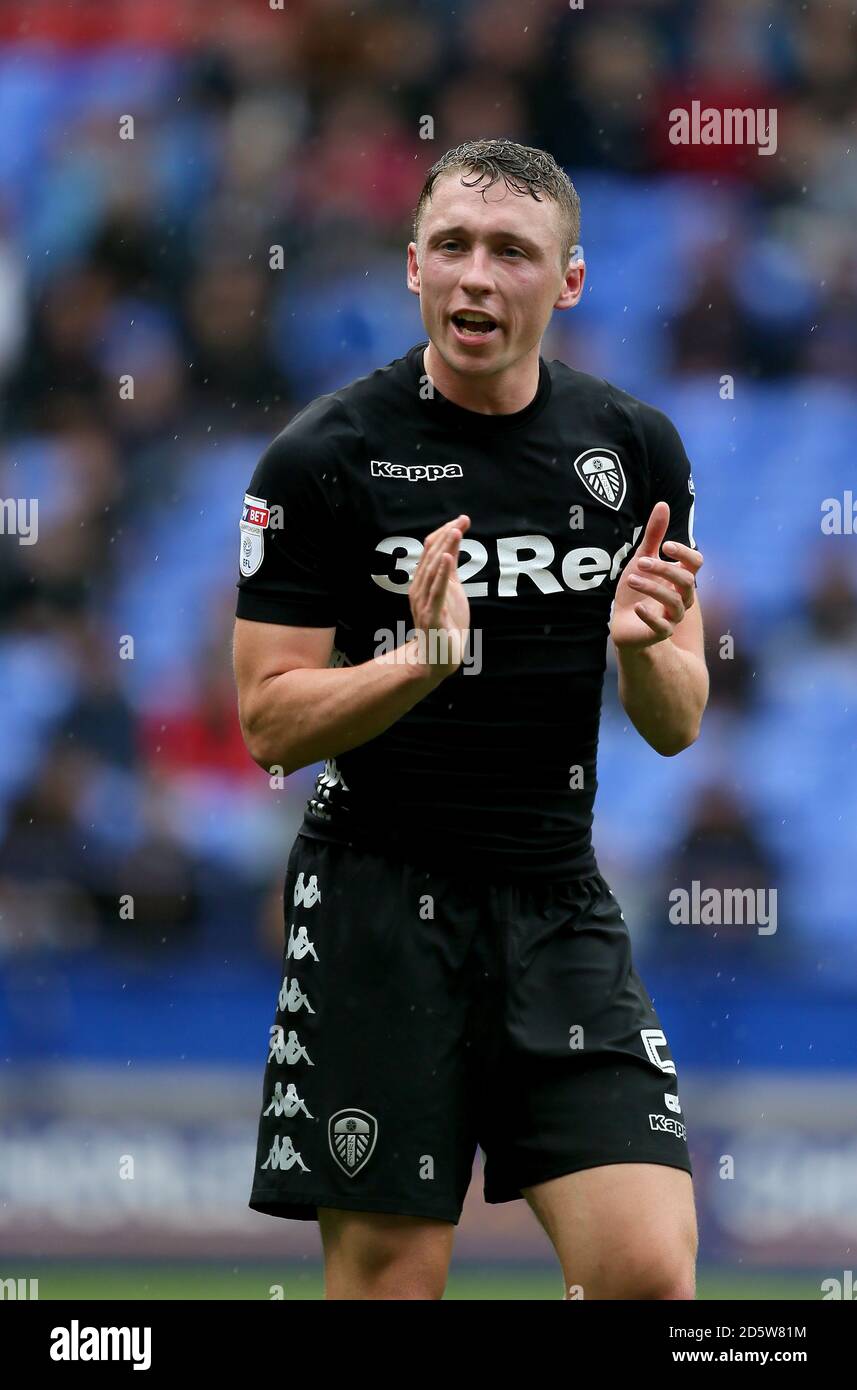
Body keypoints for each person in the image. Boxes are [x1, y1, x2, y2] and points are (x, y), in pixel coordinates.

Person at [233, 139, 708, 1300]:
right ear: (411, 266)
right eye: (450, 246)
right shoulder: (324, 459)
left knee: (645, 1272)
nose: (475, 278)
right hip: (378, 906)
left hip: (555, 899)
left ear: (569, 282)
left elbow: (677, 718)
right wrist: (424, 660)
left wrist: (642, 651)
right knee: (393, 1283)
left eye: (510, 252)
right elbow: (268, 722)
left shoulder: (633, 448)